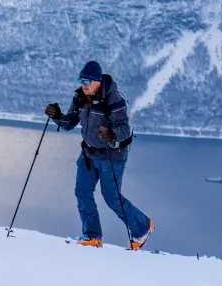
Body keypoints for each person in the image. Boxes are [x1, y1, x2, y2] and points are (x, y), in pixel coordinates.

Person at [45, 61, 155, 249]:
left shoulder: (113, 99)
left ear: (97, 81)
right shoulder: (80, 97)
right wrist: (56, 115)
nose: (83, 85)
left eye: (87, 81)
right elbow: (69, 123)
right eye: (81, 80)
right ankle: (92, 236)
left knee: (112, 197)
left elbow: (124, 129)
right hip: (89, 153)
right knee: (82, 192)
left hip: (112, 156)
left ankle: (142, 227)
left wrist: (111, 134)